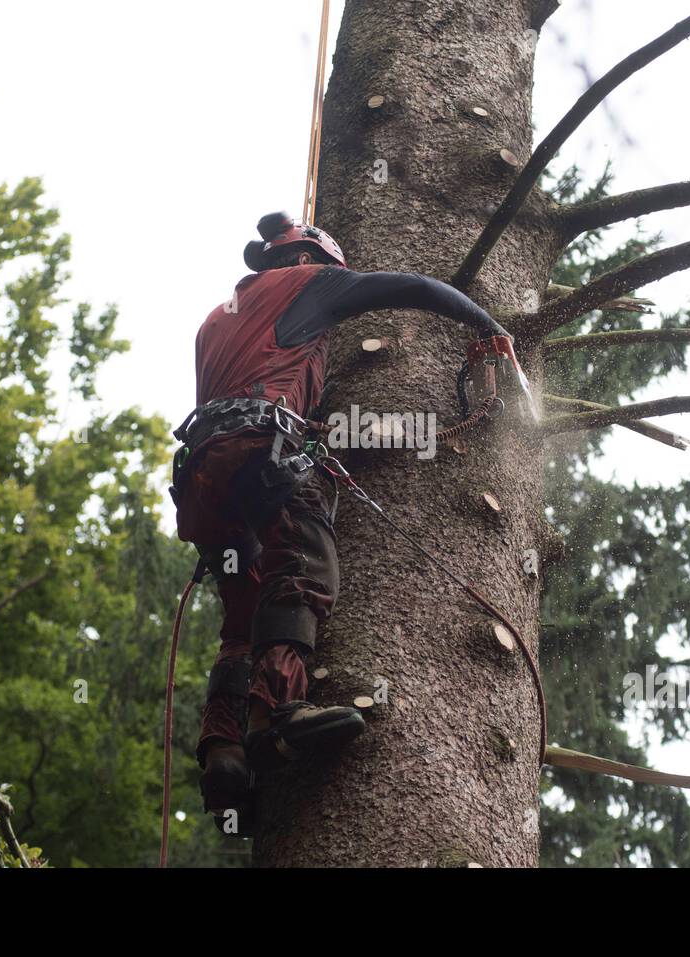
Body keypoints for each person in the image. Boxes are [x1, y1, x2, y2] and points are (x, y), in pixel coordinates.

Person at [170, 211, 507, 826]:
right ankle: (278, 715)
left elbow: (251, 384)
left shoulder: (220, 317)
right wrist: (484, 323)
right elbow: (410, 287)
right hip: (260, 453)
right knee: (302, 559)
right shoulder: (310, 281)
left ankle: (222, 751)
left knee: (242, 620)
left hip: (201, 476)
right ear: (310, 260)